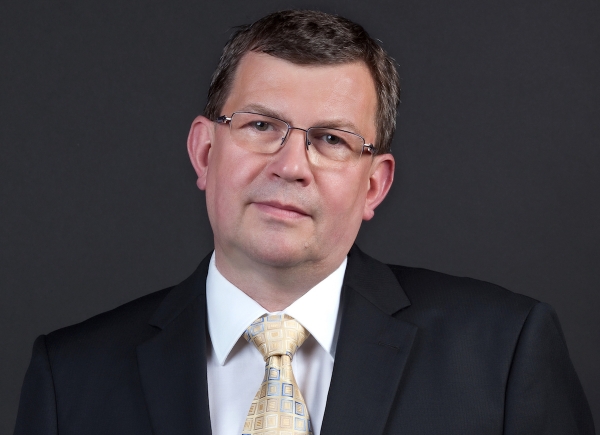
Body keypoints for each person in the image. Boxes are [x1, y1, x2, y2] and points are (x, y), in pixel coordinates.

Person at [14, 9, 594, 435]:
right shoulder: (71, 378)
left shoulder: (502, 355)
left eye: (331, 139)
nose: (291, 166)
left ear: (374, 185)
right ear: (205, 152)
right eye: (262, 126)